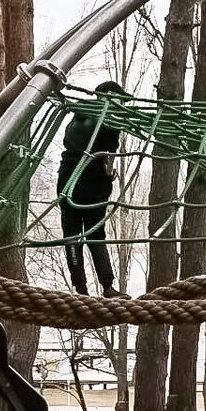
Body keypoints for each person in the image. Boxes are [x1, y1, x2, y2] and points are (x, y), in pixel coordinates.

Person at [57, 81, 129, 298]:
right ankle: (106, 286)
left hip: (67, 181)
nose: (122, 103)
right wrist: (107, 179)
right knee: (95, 234)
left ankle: (81, 288)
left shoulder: (79, 113)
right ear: (107, 97)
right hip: (91, 184)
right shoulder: (109, 120)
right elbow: (108, 152)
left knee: (72, 235)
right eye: (120, 99)